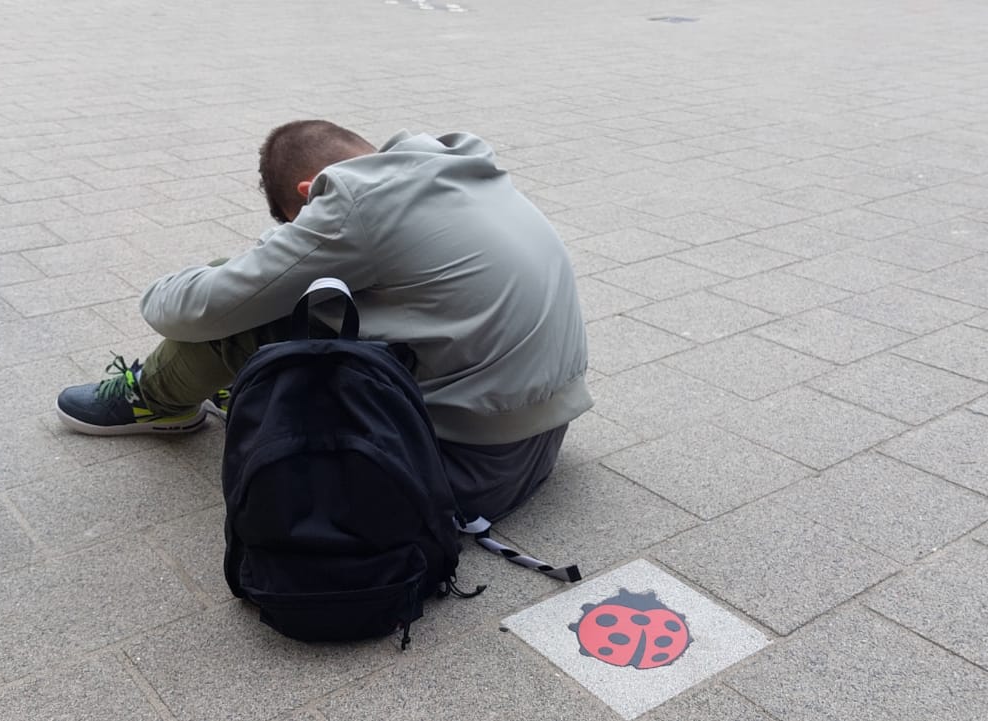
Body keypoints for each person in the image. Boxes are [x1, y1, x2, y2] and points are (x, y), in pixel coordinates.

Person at [56, 120, 592, 521]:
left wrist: (188, 279)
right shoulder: (460, 171)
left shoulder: (357, 204)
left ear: (309, 193)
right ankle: (227, 390)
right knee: (318, 297)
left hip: (460, 471)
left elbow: (196, 307)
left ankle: (155, 400)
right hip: (539, 444)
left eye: (299, 224)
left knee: (242, 318)